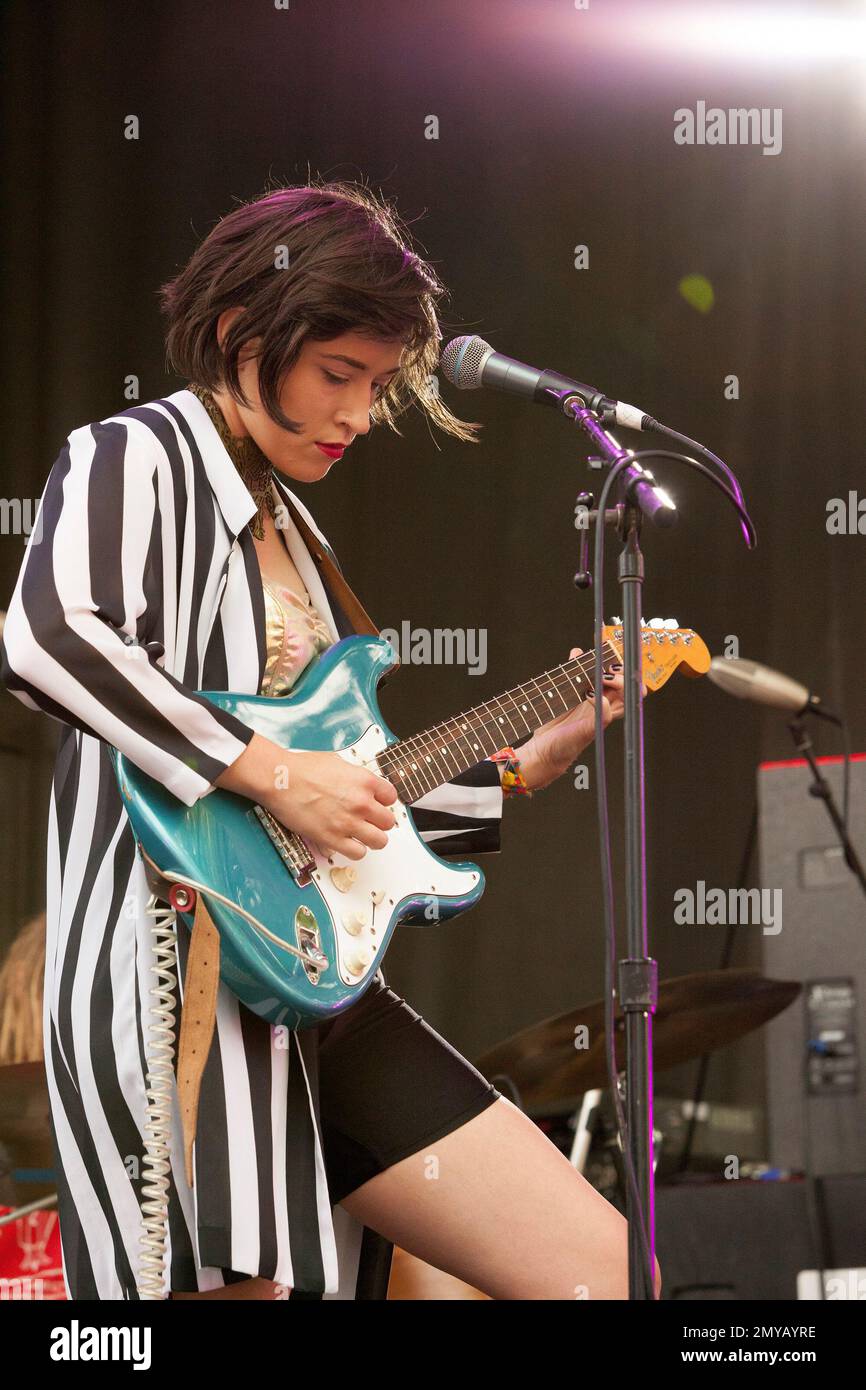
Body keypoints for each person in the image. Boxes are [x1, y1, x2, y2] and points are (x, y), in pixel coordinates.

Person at [1, 180, 655, 1301]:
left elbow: (330, 797)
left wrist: (520, 769)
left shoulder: (293, 528)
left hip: (318, 983)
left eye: (376, 385)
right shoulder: (138, 452)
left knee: (603, 1271)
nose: (357, 414)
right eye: (336, 376)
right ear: (236, 336)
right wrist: (273, 769)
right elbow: (47, 635)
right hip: (174, 977)